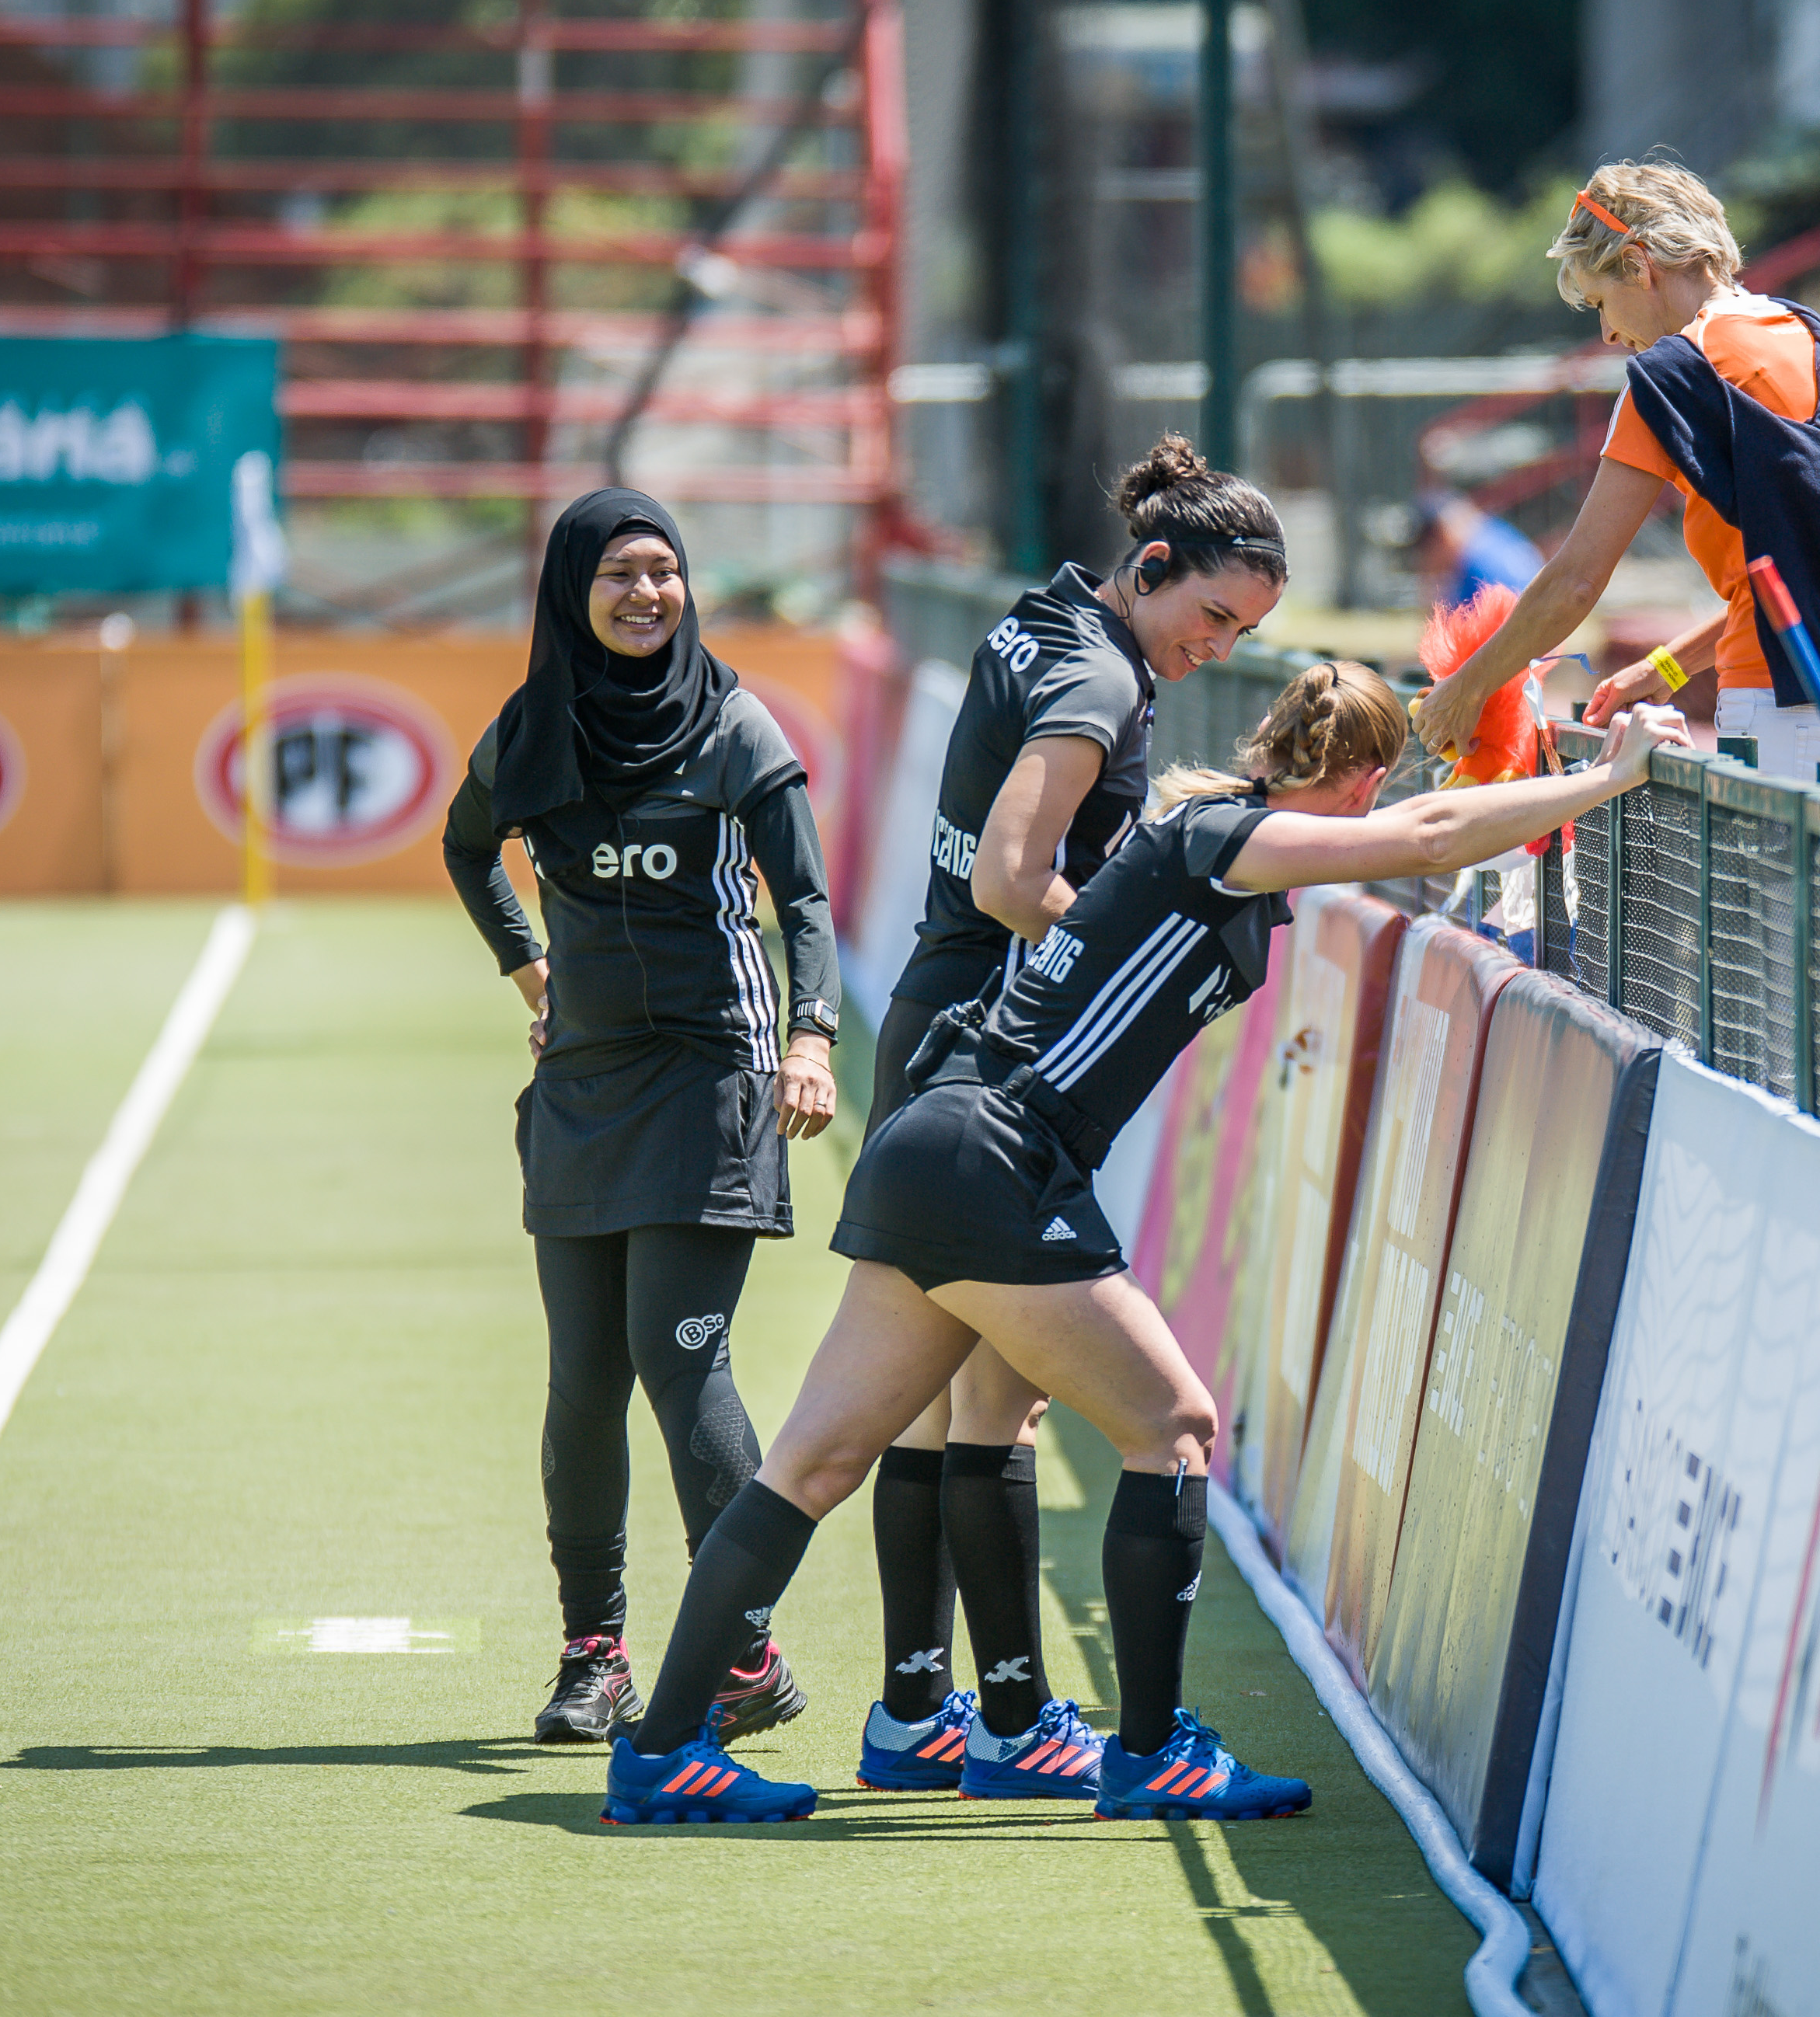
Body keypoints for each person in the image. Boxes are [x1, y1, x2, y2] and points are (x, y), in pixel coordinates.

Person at [594, 664, 1693, 1826]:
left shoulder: (1206, 825)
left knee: (812, 1465)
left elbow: (1410, 847)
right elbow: (1420, 838)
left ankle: (660, 1750)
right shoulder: (1225, 833)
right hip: (1000, 1155)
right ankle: (1154, 1750)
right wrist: (1607, 779)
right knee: (1173, 1428)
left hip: (939, 1133)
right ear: (1362, 776)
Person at [858, 436, 1285, 1799]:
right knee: (986, 1414)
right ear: (1151, 568)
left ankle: (928, 1713)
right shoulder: (1103, 675)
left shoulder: (1054, 625)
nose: (1219, 646)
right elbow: (1009, 877)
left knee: (936, 1414)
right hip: (986, 1052)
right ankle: (992, 1721)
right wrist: (1114, 928)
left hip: (941, 1025)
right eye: (1212, 615)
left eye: (1247, 632)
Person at [1414, 155, 1820, 1146]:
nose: (1607, 333)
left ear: (1644, 264)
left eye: (1603, 299)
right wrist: (1666, 667)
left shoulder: (1672, 375)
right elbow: (1799, 570)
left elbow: (1572, 581)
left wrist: (1468, 688)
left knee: (1790, 1062)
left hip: (1792, 735)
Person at [441, 488, 843, 1747]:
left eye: (663, 570)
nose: (645, 594)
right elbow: (468, 847)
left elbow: (808, 900)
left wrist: (812, 1035)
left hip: (711, 1076)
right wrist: (530, 971)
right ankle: (593, 1653)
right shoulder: (533, 728)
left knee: (681, 1362)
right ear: (574, 591)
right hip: (583, 1088)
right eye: (618, 573)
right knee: (581, 1382)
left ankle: (742, 1649)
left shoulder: (735, 723)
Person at [1410, 489, 1546, 617]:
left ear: (1441, 536)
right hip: (1541, 617)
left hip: (1521, 628)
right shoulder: (1493, 530)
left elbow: (1450, 628)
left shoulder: (1474, 565)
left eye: (1425, 551)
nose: (1425, 560)